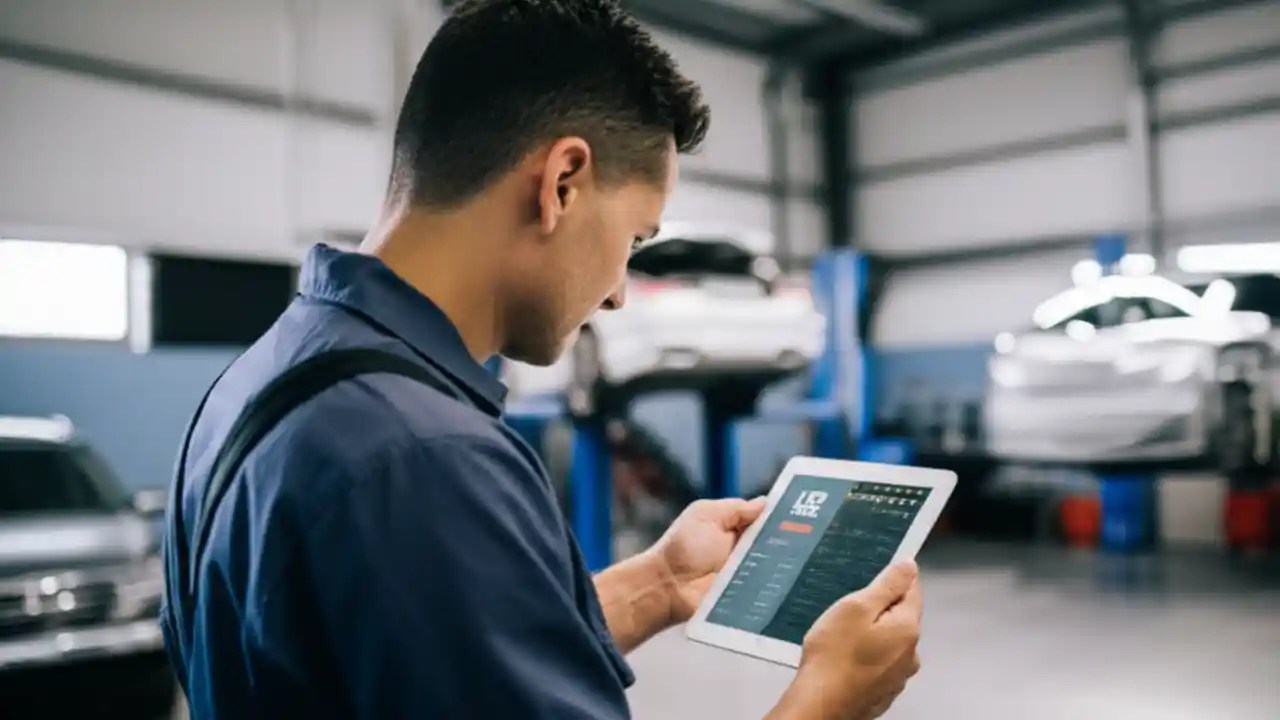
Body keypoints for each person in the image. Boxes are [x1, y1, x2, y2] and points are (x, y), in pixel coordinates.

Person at [160, 0, 924, 717]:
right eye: (634, 241)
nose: (621, 294)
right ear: (562, 182)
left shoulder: (255, 386)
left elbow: (415, 654)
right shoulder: (427, 457)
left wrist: (657, 584)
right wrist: (827, 698)